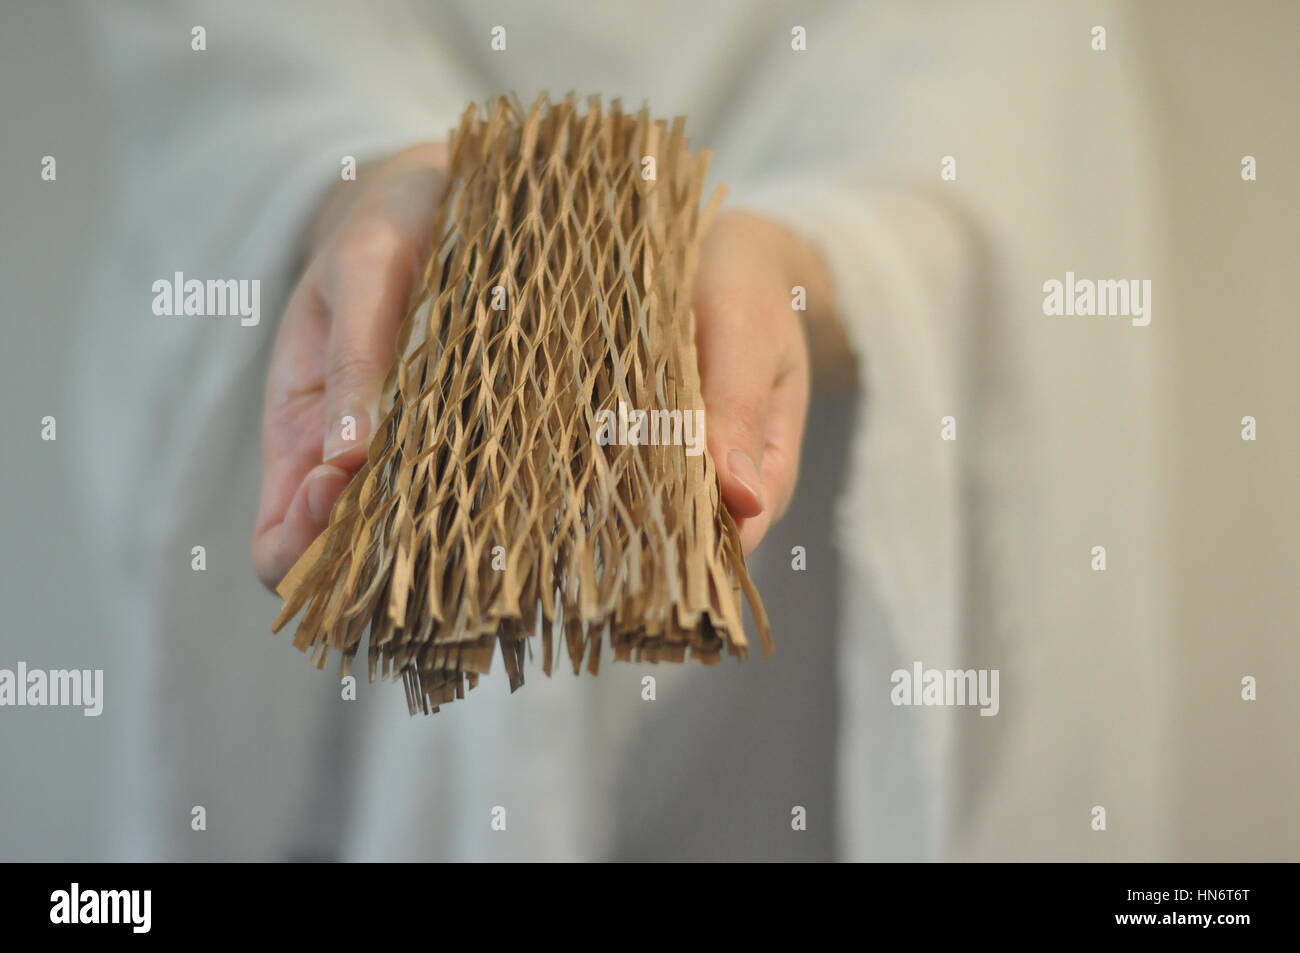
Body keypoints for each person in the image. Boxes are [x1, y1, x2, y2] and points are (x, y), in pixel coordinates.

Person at [69, 0, 1170, 860]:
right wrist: (371, 205)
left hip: (788, 764)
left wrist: (808, 270)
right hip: (350, 789)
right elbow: (224, 66)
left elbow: (999, 122)